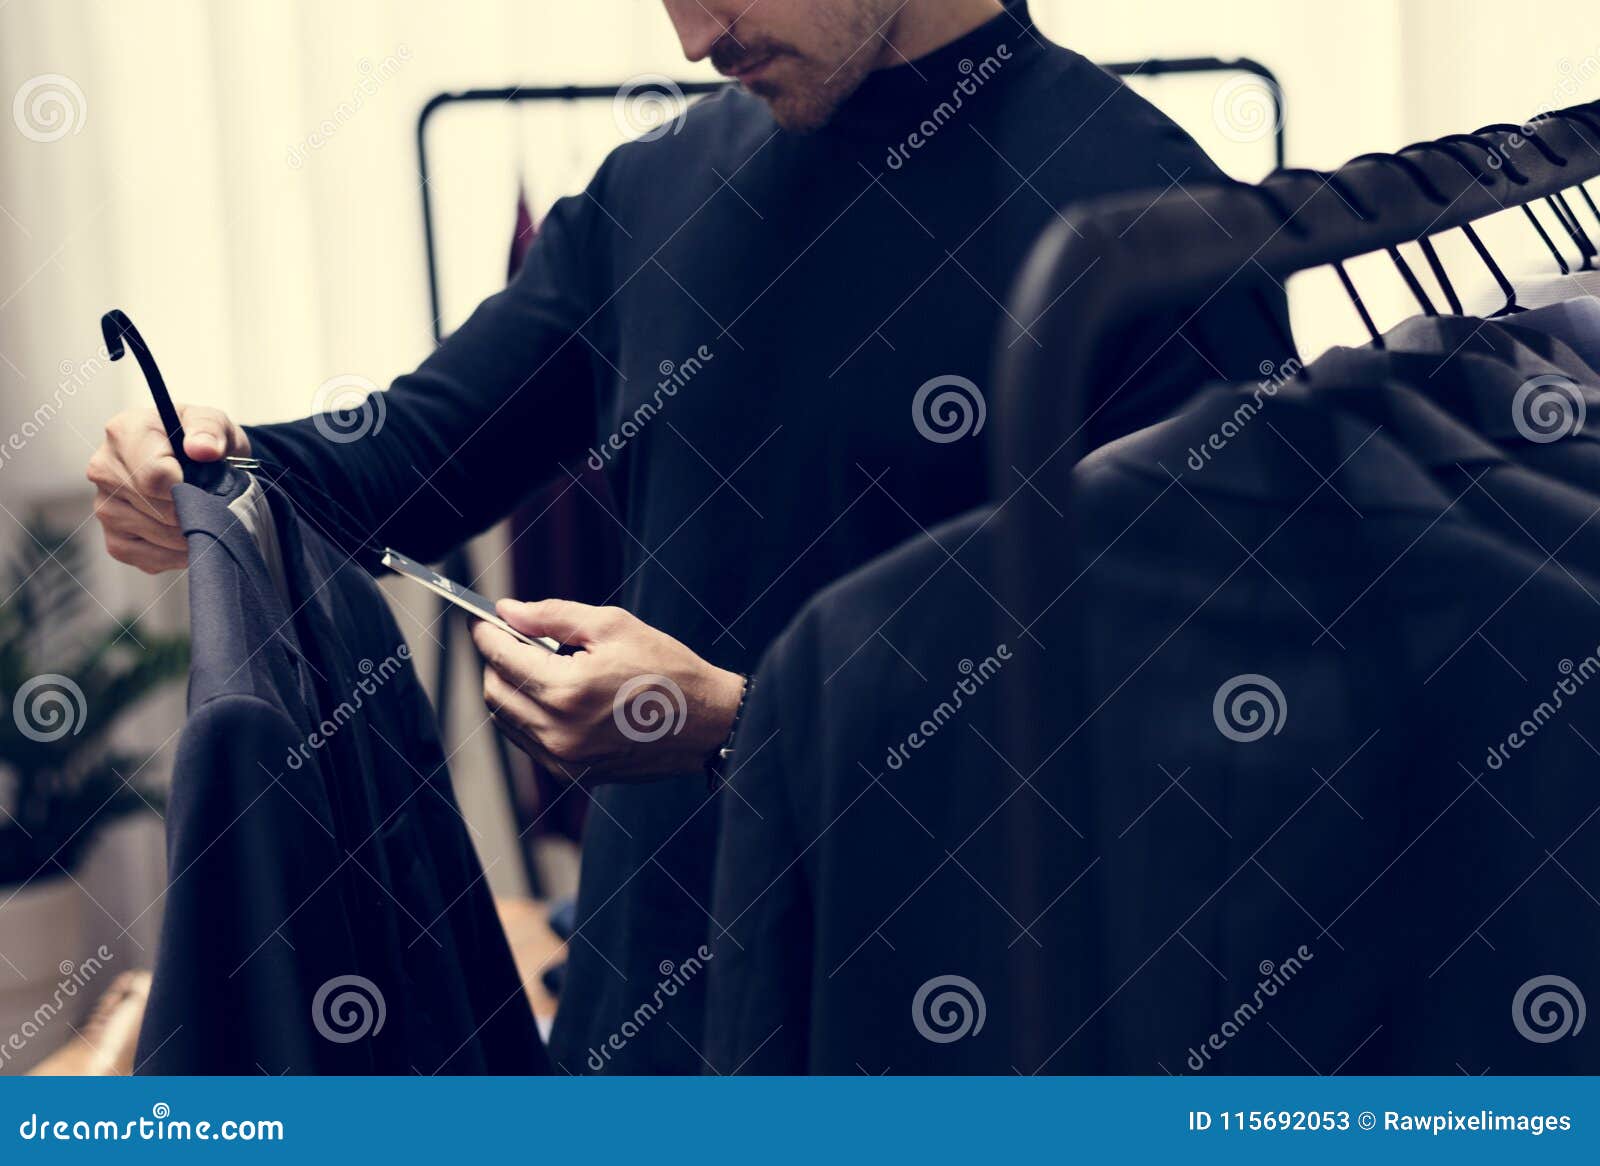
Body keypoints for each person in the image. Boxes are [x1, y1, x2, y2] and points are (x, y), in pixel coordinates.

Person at [86, 0, 1279, 1072]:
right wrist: (215, 463)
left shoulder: (1156, 224)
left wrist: (737, 724)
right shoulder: (652, 192)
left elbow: (1181, 728)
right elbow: (412, 464)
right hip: (644, 1019)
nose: (693, 36)